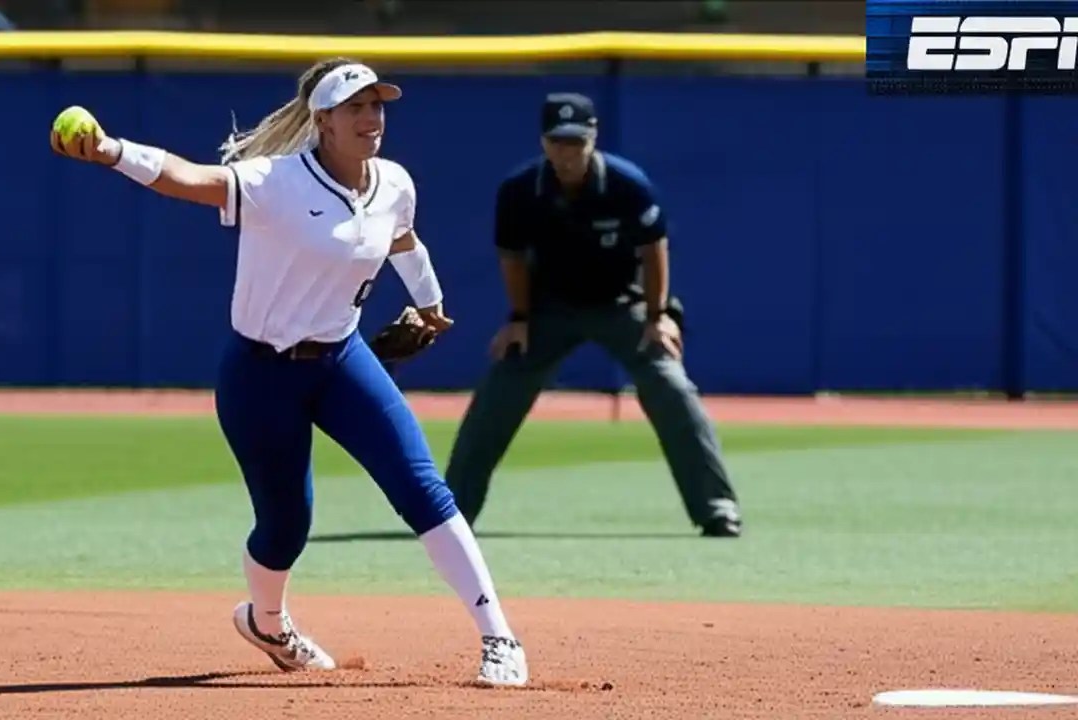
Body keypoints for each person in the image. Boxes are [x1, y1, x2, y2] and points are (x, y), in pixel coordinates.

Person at [48, 57, 528, 686]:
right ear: (322, 120)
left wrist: (431, 304)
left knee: (423, 488)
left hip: (341, 360)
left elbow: (404, 240)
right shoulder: (274, 180)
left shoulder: (394, 184)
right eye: (355, 107)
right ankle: (267, 622)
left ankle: (500, 639)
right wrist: (111, 150)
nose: (371, 117)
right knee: (285, 523)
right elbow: (187, 178)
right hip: (260, 374)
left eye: (377, 105)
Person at [444, 92, 743, 538]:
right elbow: (512, 258)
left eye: (576, 141)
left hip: (622, 305)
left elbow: (653, 251)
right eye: (558, 142)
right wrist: (519, 318)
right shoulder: (520, 191)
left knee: (670, 384)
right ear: (544, 142)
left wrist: (658, 315)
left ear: (594, 138)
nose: (568, 152)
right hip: (550, 310)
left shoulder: (627, 184)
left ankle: (717, 509)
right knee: (499, 388)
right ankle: (449, 515)